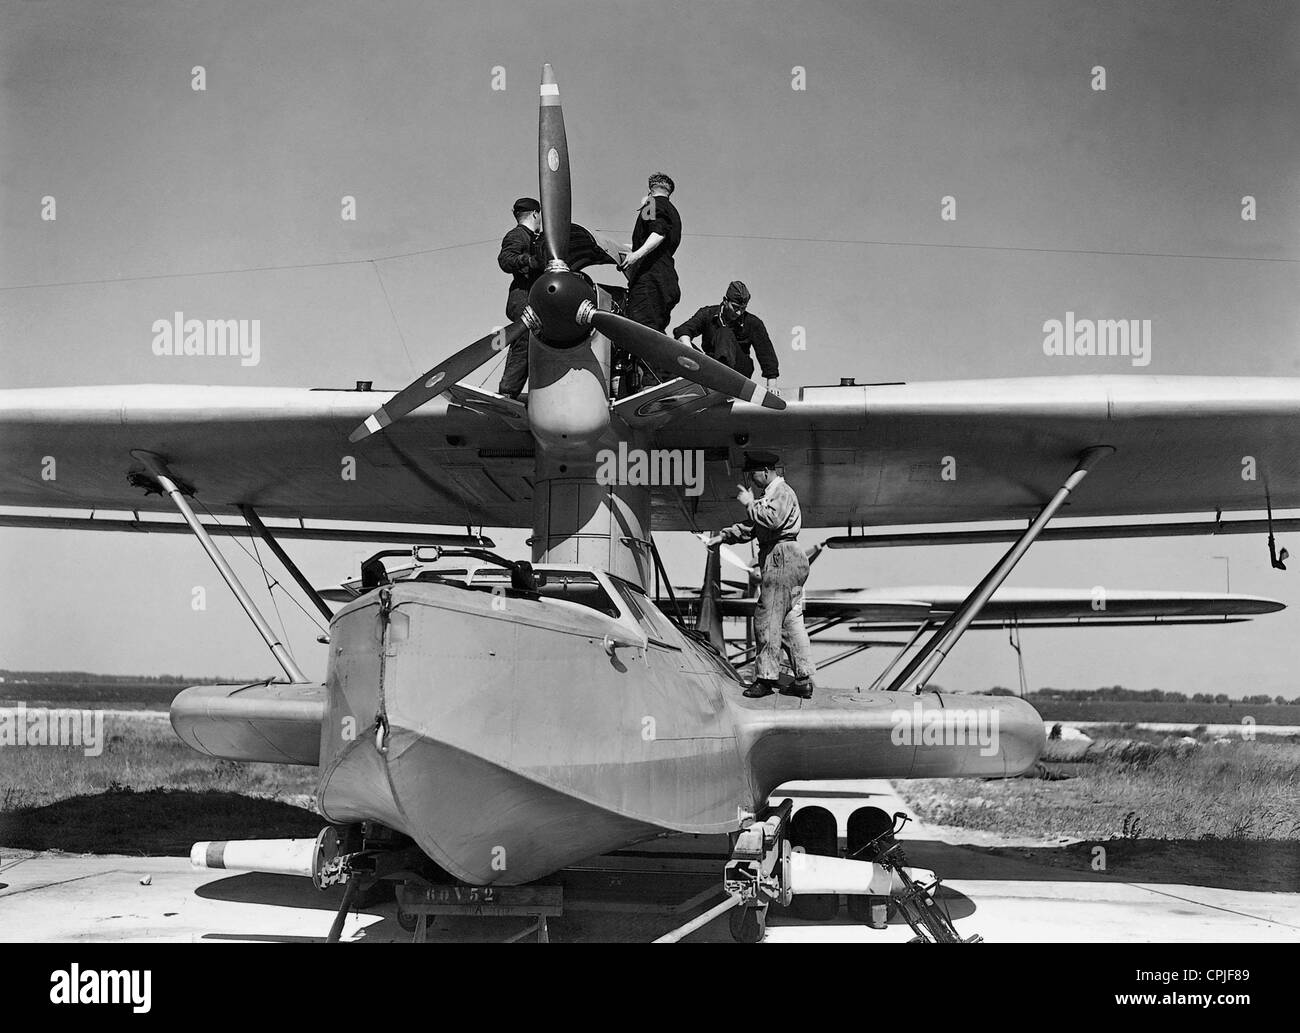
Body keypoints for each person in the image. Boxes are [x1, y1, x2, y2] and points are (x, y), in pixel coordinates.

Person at [704, 452, 815, 698]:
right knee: (788, 622)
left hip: (780, 558)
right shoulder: (773, 495)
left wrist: (749, 503)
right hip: (786, 558)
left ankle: (765, 679)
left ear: (765, 470)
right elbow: (754, 526)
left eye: (752, 474)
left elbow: (771, 520)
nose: (751, 480)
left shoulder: (782, 492)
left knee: (766, 618)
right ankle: (803, 678)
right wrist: (725, 536)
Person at [673, 280, 781, 395]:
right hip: (711, 366)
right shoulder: (707, 314)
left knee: (724, 333)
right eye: (735, 307)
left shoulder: (753, 323)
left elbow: (766, 354)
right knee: (677, 347)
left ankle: (722, 379)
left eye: (743, 308)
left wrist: (772, 385)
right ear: (725, 301)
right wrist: (690, 354)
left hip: (739, 370)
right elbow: (683, 331)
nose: (739, 312)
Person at [496, 197, 543, 399]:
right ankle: (507, 392)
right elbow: (505, 260)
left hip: (535, 297)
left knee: (536, 343)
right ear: (535, 214)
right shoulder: (517, 235)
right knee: (523, 340)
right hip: (523, 297)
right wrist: (531, 261)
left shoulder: (533, 238)